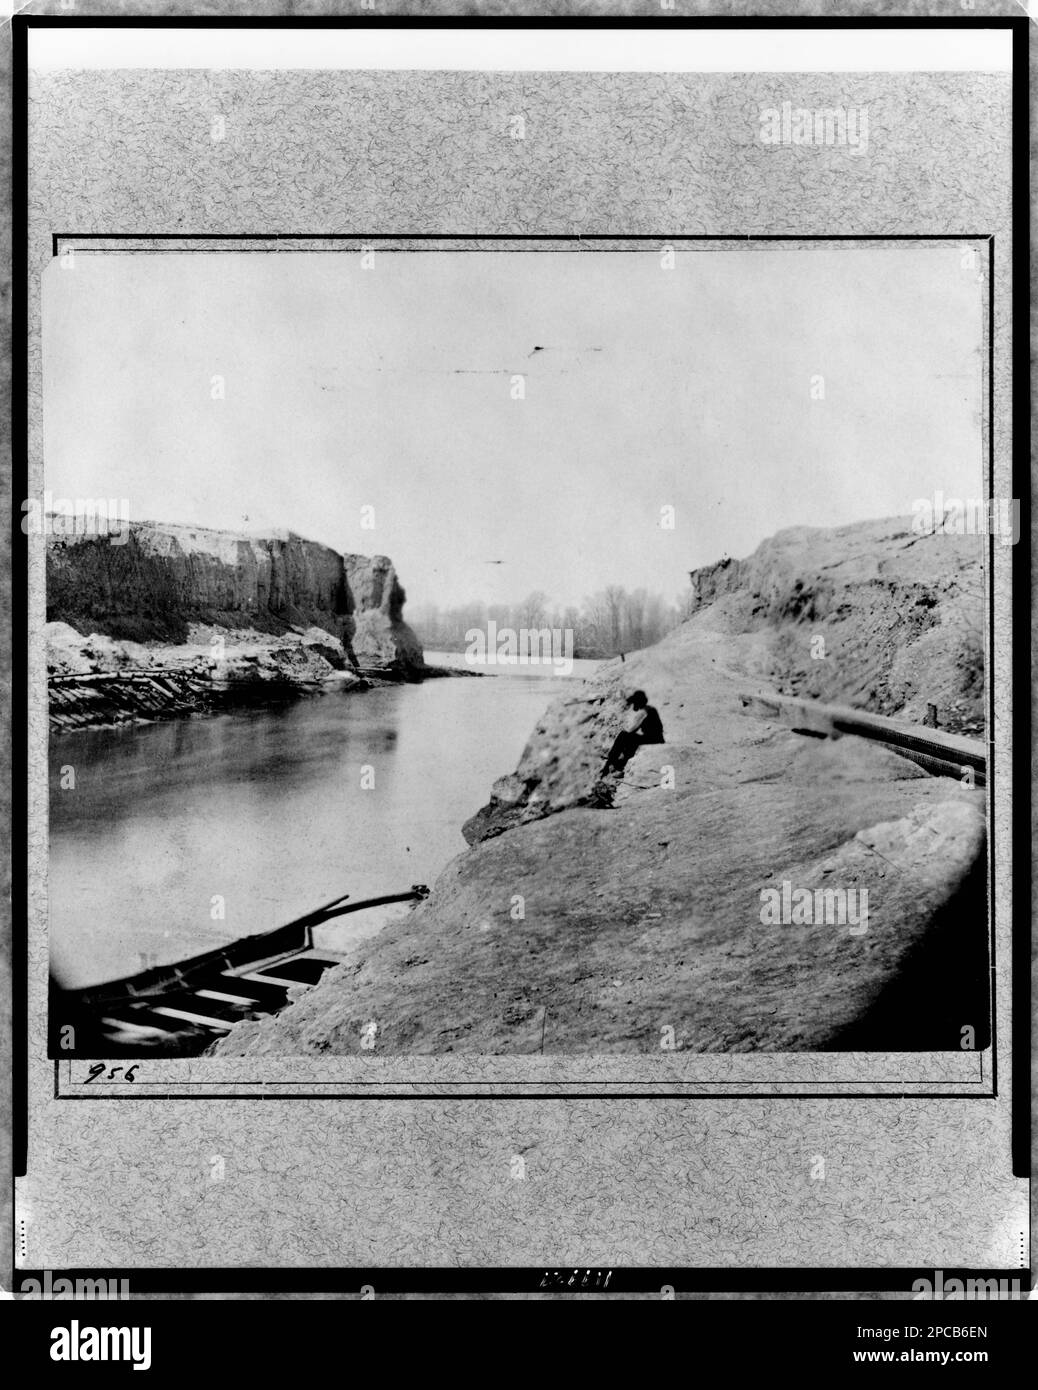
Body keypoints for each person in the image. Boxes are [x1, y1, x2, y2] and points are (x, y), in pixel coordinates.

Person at [602, 690, 664, 776]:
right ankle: (615, 761)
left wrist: (624, 729)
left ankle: (612, 763)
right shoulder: (649, 709)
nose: (633, 705)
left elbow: (631, 730)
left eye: (635, 702)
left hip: (654, 739)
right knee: (630, 738)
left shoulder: (644, 712)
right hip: (656, 737)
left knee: (623, 736)